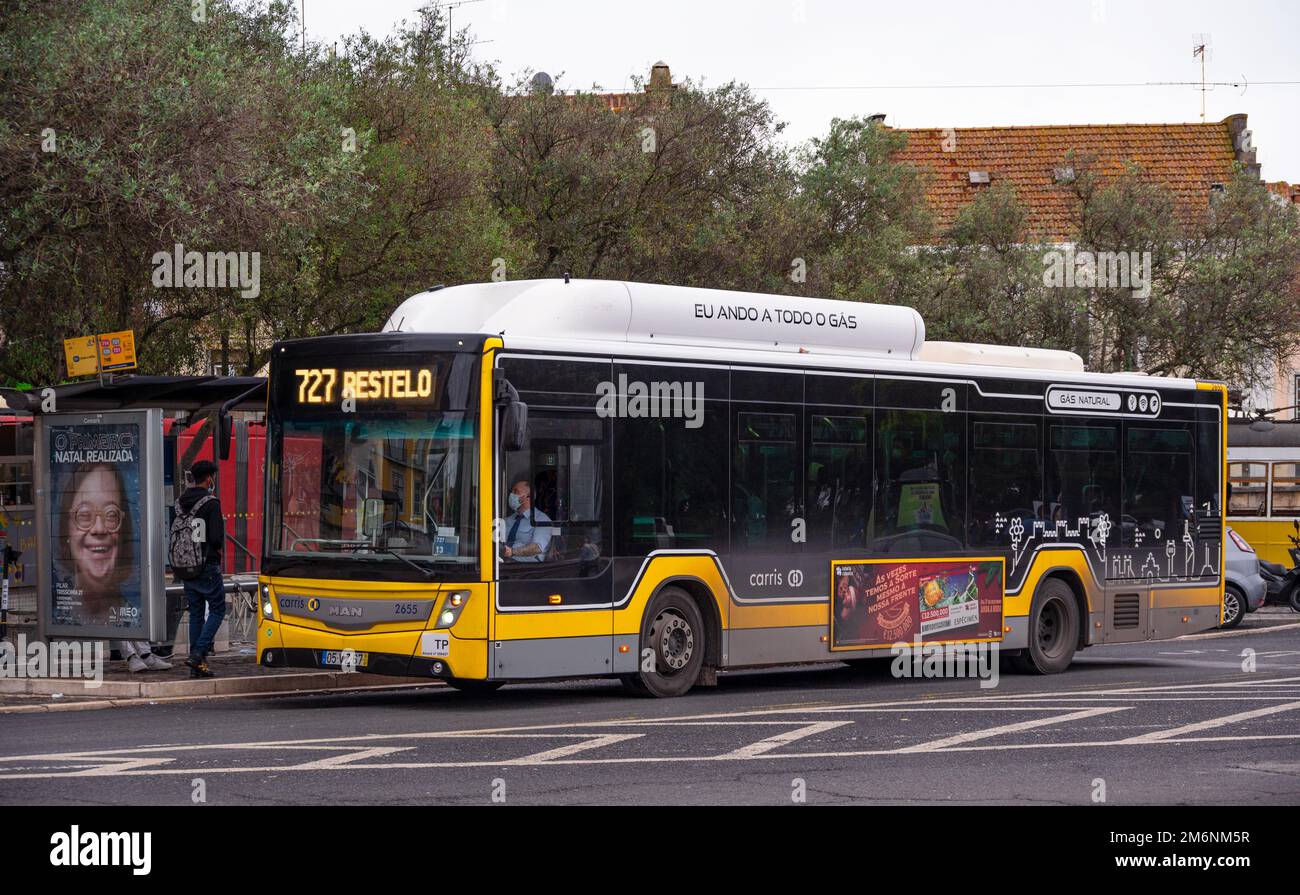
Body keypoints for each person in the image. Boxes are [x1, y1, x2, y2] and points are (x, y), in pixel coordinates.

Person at [55, 461, 168, 670]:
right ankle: (131, 655)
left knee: (122, 610)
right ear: (67, 527)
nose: (99, 529)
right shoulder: (61, 607)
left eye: (111, 515)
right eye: (84, 515)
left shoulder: (125, 591)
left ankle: (143, 652)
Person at [179, 460, 225, 678]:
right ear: (209, 478)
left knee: (196, 612)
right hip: (207, 564)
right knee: (218, 610)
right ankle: (197, 654)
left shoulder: (181, 502)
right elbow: (216, 538)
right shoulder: (211, 503)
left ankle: (197, 666)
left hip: (186, 565)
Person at [501, 480, 551, 562]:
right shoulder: (508, 520)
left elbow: (537, 548)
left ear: (528, 497)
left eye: (516, 492)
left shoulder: (541, 519)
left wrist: (512, 552)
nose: (511, 495)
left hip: (527, 568)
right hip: (504, 563)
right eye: (512, 492)